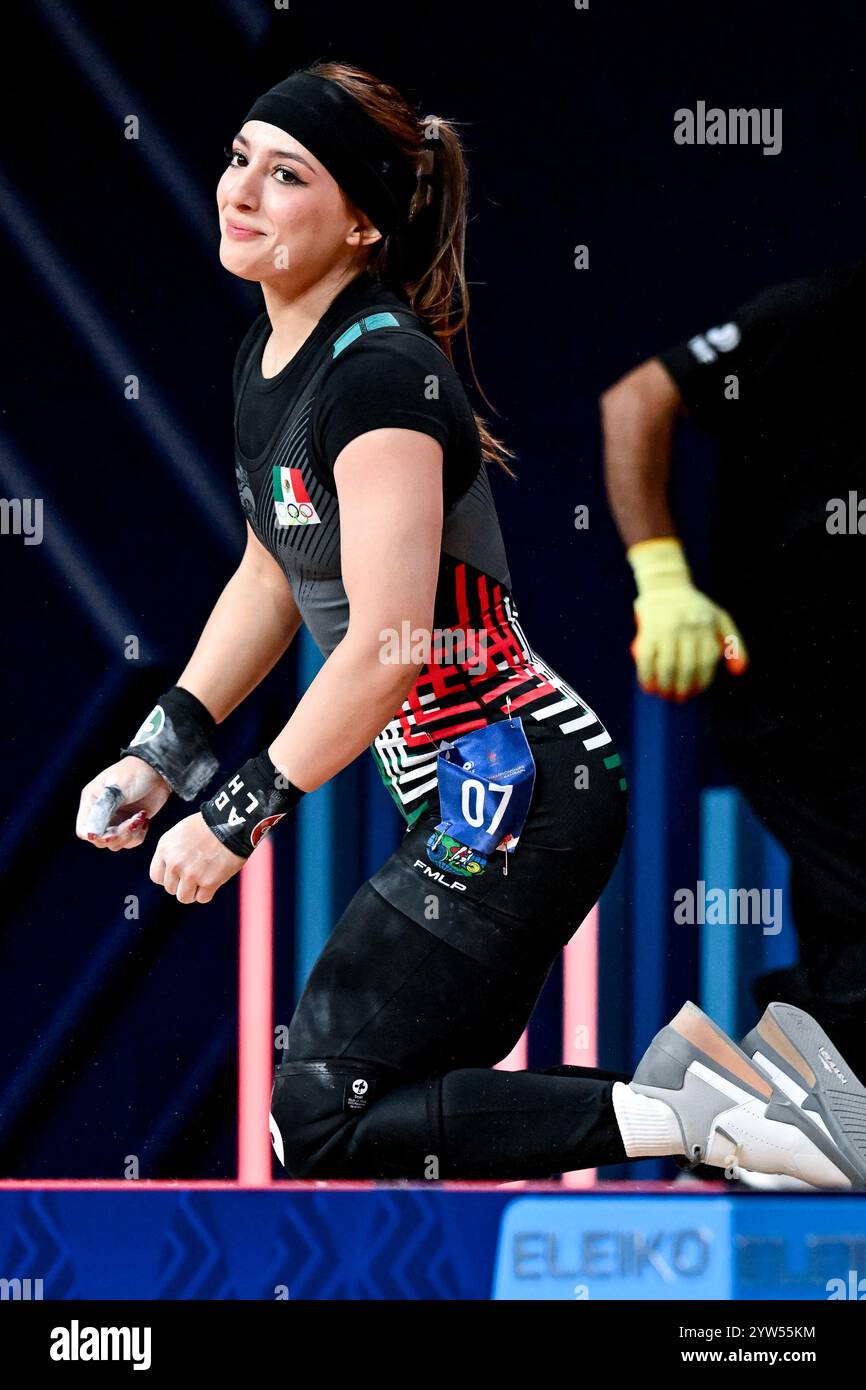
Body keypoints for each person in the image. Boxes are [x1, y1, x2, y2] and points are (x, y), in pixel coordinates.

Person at [75, 65, 866, 1187]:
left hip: (523, 785)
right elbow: (270, 572)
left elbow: (386, 646)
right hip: (469, 795)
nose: (240, 190)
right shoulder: (271, 359)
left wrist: (238, 816)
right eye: (239, 157)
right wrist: (163, 751)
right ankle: (722, 1101)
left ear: (361, 223)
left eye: (286, 173)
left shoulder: (379, 376)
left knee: (321, 1109)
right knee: (353, 1113)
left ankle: (723, 1114)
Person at [600, 259, 866, 1086]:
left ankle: (779, 1117)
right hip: (794, 691)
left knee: (846, 934)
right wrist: (662, 579)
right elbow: (637, 399)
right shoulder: (825, 310)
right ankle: (758, 1107)